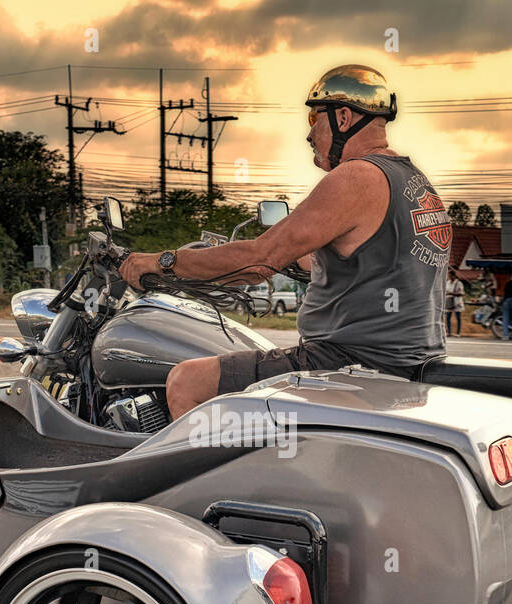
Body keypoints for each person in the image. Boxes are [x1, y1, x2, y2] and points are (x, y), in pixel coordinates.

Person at [118, 65, 450, 419]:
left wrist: (161, 262)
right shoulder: (413, 181)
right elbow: (368, 262)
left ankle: (220, 476)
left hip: (347, 363)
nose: (309, 134)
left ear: (343, 116)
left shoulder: (355, 176)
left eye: (314, 118)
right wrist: (293, 258)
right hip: (406, 363)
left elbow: (257, 262)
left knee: (185, 380)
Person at [444, 269, 464, 336]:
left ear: (453, 276)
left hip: (457, 302)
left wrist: (451, 293)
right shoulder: (448, 282)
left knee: (458, 318)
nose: (449, 277)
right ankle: (449, 332)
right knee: (448, 318)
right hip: (449, 302)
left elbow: (461, 293)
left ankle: (458, 333)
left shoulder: (458, 283)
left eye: (450, 275)